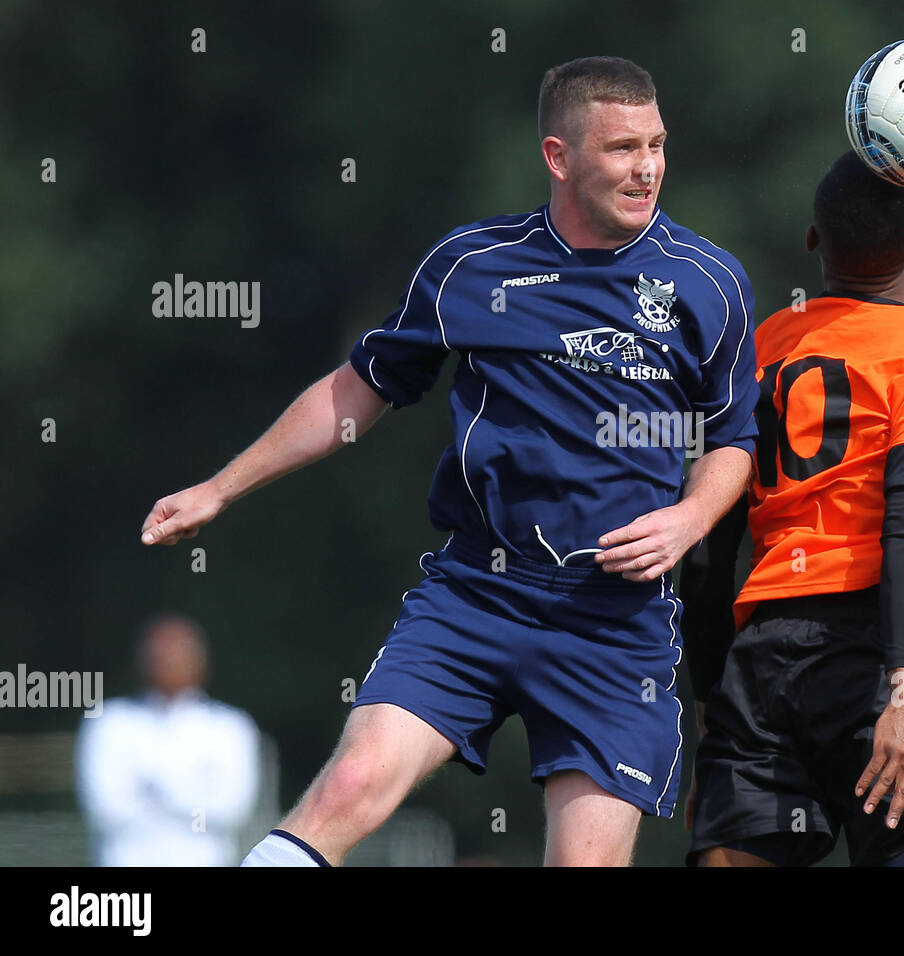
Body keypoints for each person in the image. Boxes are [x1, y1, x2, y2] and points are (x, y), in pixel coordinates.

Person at [139, 56, 758, 867]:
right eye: (621, 148)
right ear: (558, 156)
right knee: (349, 787)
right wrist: (221, 487)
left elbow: (734, 440)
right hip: (476, 595)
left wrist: (689, 516)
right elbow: (360, 391)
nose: (646, 169)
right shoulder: (472, 265)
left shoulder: (708, 282)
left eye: (657, 144)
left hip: (616, 624)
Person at [681, 152, 904, 867]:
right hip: (877, 656)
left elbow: (702, 557)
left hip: (761, 665)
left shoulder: (754, 356)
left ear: (813, 242)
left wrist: (714, 723)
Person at [77, 613, 261, 866]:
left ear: (200, 660)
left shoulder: (230, 727)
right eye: (158, 653)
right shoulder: (109, 722)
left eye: (177, 652)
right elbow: (105, 809)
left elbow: (232, 809)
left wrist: (157, 790)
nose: (167, 661)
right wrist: (193, 791)